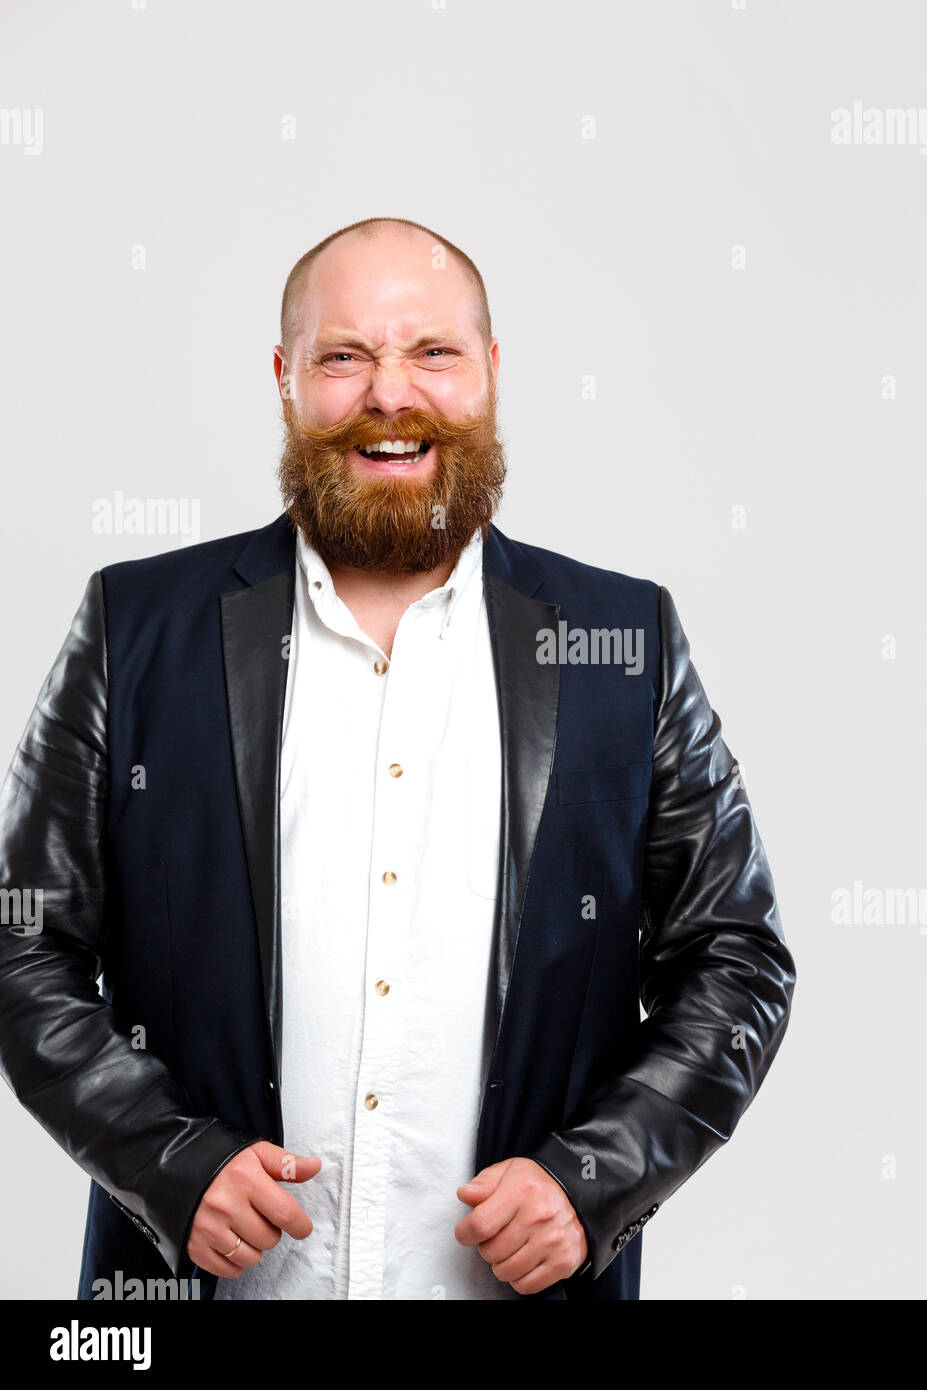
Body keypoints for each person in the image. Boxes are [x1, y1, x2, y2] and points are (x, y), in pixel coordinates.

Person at [0, 217, 796, 1301]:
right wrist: (167, 1161)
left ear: (490, 374)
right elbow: (23, 941)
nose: (390, 394)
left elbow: (736, 956)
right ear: (284, 379)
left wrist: (593, 1181)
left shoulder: (624, 643)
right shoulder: (138, 627)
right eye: (344, 356)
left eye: (432, 352)